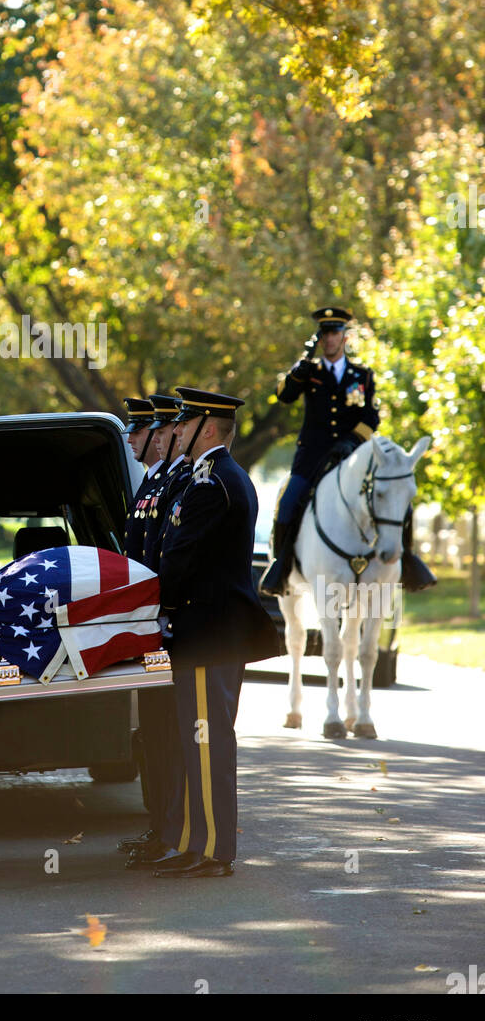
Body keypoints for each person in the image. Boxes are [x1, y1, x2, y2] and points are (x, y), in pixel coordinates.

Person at [142, 388, 281, 879]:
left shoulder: (214, 483)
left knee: (208, 743)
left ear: (209, 429)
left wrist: (146, 605)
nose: (175, 431)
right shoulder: (212, 479)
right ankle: (193, 843)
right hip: (205, 631)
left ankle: (212, 850)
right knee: (197, 741)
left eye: (184, 424)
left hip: (208, 633)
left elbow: (180, 559)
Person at [261, 305, 434, 595]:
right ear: (319, 338)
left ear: (345, 337)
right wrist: (297, 370)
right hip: (313, 456)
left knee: (400, 500)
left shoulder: (361, 376)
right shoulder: (310, 372)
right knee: (289, 501)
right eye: (325, 333)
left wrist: (353, 439)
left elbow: (371, 417)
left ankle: (409, 560)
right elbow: (284, 396)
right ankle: (281, 567)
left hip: (353, 456)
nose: (329, 339)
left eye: (335, 333)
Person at [119, 394, 186, 868]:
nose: (130, 438)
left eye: (139, 431)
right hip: (148, 625)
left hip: (163, 626)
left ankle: (171, 829)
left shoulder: (172, 484)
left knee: (167, 734)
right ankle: (159, 824)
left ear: (160, 437)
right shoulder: (152, 483)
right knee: (152, 734)